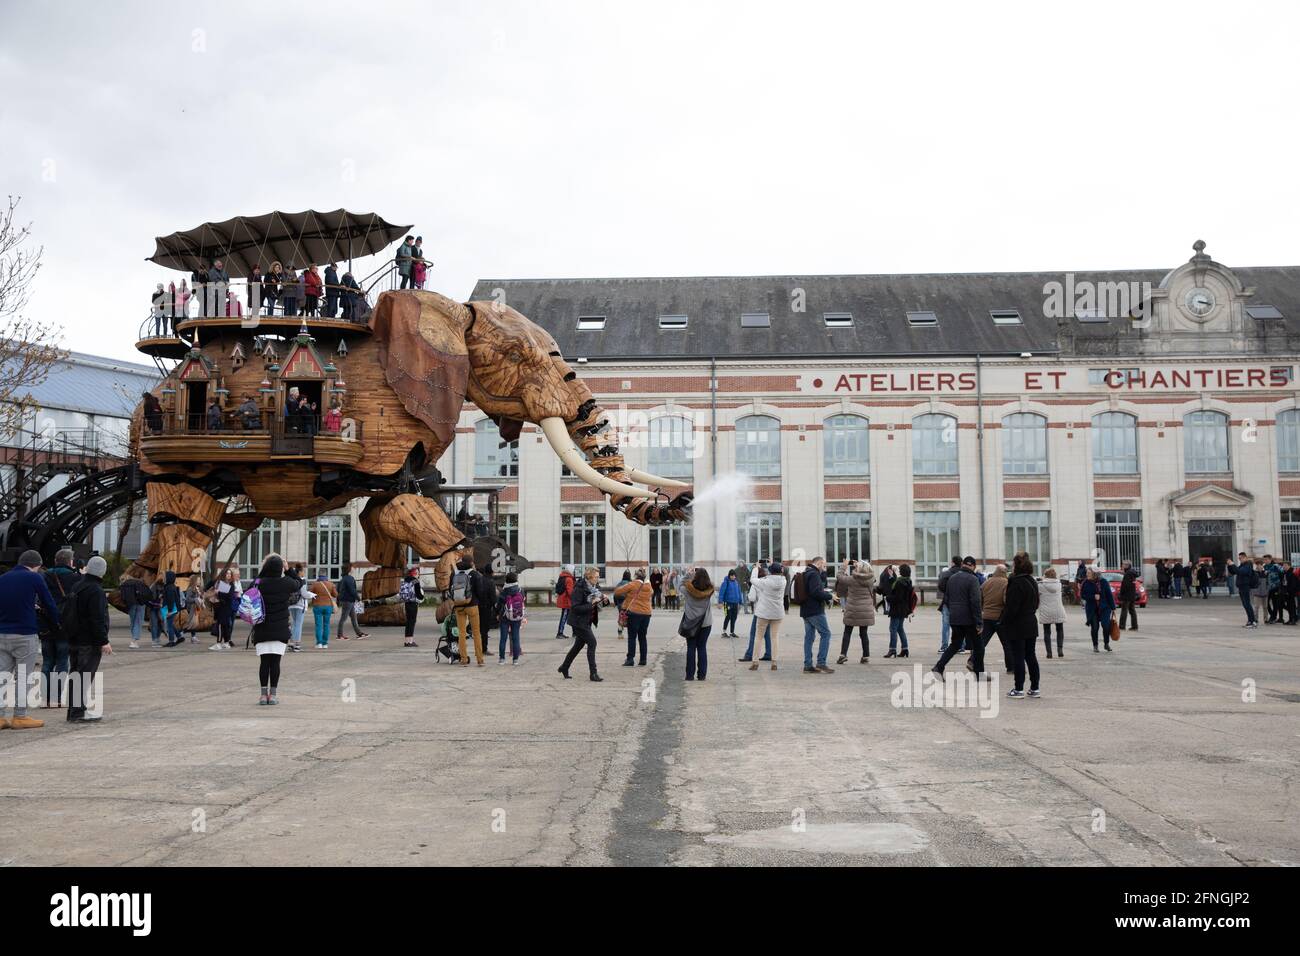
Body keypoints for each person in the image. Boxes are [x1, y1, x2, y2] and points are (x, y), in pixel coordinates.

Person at [0, 551, 59, 729]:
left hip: (2, 633)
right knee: (23, 677)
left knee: (2, 676)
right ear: (36, 565)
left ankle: (0, 716)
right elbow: (49, 602)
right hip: (25, 634)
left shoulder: (3, 578)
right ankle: (20, 716)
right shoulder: (35, 578)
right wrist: (56, 621)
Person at [64, 554, 112, 722]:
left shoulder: (77, 586)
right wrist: (104, 641)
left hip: (74, 638)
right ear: (102, 572)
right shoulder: (96, 590)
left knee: (75, 674)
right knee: (84, 676)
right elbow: (97, 618)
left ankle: (73, 711)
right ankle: (78, 713)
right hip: (89, 641)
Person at [248, 555, 301, 705]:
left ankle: (263, 695)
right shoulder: (286, 583)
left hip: (262, 628)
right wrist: (288, 569)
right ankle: (274, 695)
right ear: (280, 568)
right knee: (275, 663)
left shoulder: (259, 583)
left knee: (264, 663)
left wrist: (263, 570)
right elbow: (299, 583)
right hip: (280, 629)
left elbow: (251, 587)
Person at [37, 548, 80, 709]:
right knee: (62, 661)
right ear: (70, 562)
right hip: (65, 625)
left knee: (47, 661)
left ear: (55, 561)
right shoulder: (75, 578)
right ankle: (55, 699)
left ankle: (43, 698)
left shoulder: (43, 576)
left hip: (46, 624)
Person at [931, 556, 982, 678]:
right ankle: (980, 674)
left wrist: (954, 611)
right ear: (973, 566)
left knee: (955, 645)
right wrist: (979, 622)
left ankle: (939, 666)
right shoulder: (973, 579)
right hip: (969, 619)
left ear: (963, 565)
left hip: (955, 617)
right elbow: (975, 602)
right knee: (979, 646)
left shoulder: (952, 578)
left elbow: (947, 599)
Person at [1000, 553, 1042, 699]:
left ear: (1017, 565)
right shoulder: (1032, 581)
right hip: (1031, 621)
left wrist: (1003, 621)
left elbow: (1012, 607)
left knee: (1018, 655)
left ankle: (1018, 688)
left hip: (1018, 623)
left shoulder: (1015, 582)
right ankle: (1035, 687)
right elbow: (1037, 602)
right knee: (1031, 655)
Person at [558, 568, 606, 681]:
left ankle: (564, 667)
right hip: (578, 621)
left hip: (586, 620)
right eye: (596, 577)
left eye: (599, 577)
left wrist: (603, 601)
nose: (598, 579)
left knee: (577, 647)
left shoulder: (594, 589)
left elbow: (598, 605)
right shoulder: (579, 588)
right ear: (589, 577)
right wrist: (592, 603)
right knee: (592, 643)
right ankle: (593, 673)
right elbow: (575, 607)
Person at [796, 557, 835, 674]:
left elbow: (814, 589)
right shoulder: (814, 574)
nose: (825, 568)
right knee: (826, 634)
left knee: (809, 637)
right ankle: (821, 663)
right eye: (824, 565)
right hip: (815, 610)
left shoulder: (807, 572)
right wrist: (830, 596)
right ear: (818, 563)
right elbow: (816, 592)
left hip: (806, 610)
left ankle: (808, 665)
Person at [745, 563, 786, 671]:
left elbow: (753, 579)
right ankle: (774, 662)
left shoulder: (765, 582)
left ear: (770, 571)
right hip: (777, 613)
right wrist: (773, 564)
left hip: (764, 613)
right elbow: (781, 572)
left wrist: (755, 568)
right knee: (774, 637)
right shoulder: (783, 581)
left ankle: (755, 662)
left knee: (758, 637)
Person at [833, 560, 874, 664]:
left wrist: (844, 566)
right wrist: (861, 566)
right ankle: (865, 656)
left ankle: (843, 655)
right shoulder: (870, 579)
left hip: (853, 610)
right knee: (863, 633)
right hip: (865, 611)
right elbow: (867, 572)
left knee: (847, 632)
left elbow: (839, 576)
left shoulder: (852, 579)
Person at [678, 568, 715, 681]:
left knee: (691, 648)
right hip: (706, 624)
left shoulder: (688, 590)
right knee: (702, 648)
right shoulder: (710, 590)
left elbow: (679, 585)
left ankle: (689, 676)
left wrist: (687, 575)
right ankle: (702, 675)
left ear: (695, 577)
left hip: (691, 624)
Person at [615, 568, 652, 666]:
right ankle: (643, 660)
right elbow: (651, 593)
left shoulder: (633, 584)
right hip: (646, 614)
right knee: (643, 637)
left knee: (632, 637)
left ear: (635, 576)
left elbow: (618, 592)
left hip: (634, 613)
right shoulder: (648, 586)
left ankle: (630, 659)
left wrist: (627, 593)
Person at [978, 564, 1010, 671]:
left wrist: (984, 609)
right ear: (1005, 572)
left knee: (982, 642)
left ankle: (973, 661)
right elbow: (1006, 601)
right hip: (1000, 618)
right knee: (1007, 644)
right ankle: (1010, 667)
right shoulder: (1006, 583)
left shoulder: (986, 583)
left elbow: (980, 600)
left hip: (986, 616)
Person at [1081, 568, 1116, 651]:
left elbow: (1109, 595)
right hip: (1092, 609)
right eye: (1087, 573)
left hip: (1105, 607)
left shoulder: (1103, 582)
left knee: (1106, 626)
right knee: (1095, 627)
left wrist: (1113, 607)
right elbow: (1082, 595)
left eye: (1089, 573)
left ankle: (1106, 644)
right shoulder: (1085, 583)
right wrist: (1093, 597)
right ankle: (1095, 645)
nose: (1087, 574)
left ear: (1095, 574)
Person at [1037, 566, 1067, 658]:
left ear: (1045, 575)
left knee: (1047, 631)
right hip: (1058, 610)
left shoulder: (1040, 585)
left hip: (1046, 611)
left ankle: (1049, 652)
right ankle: (1060, 649)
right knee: (1060, 629)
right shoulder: (1059, 584)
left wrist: (1042, 579)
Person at [496, 573, 525, 664]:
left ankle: (502, 659)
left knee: (503, 638)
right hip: (517, 616)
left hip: (505, 617)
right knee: (516, 637)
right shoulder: (520, 590)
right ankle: (515, 660)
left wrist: (497, 614)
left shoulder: (504, 591)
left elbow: (499, 605)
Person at [335, 562, 369, 641]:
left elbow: (338, 590)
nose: (353, 569)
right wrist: (358, 597)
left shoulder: (343, 579)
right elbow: (352, 590)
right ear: (349, 569)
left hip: (346, 600)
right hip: (348, 601)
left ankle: (359, 633)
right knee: (343, 618)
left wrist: (338, 600)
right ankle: (339, 635)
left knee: (354, 618)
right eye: (352, 567)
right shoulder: (349, 578)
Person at [210, 568, 241, 650]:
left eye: (230, 574)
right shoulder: (220, 583)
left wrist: (219, 593)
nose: (228, 575)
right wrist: (217, 594)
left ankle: (219, 643)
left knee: (222, 625)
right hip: (220, 606)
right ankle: (226, 642)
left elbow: (229, 597)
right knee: (224, 625)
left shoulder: (231, 585)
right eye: (227, 573)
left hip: (226, 607)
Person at [935, 555, 960, 653]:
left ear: (953, 563)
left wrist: (947, 591)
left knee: (946, 625)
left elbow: (941, 586)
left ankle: (944, 646)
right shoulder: (964, 573)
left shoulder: (947, 573)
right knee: (960, 625)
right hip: (961, 603)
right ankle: (961, 646)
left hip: (948, 602)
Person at [119, 573, 150, 649]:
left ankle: (134, 639)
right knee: (138, 621)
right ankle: (134, 640)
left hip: (131, 605)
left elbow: (123, 597)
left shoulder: (124, 585)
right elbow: (147, 592)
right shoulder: (139, 582)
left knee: (133, 621)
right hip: (141, 604)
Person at [474, 563, 498, 658]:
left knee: (477, 629)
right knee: (484, 630)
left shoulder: (479, 579)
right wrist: (496, 610)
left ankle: (478, 649)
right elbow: (493, 598)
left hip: (476, 606)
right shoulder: (490, 582)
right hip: (486, 608)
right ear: (491, 572)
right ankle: (483, 649)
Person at [309, 574, 337, 648]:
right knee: (326, 625)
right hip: (328, 607)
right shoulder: (331, 584)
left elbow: (310, 594)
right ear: (326, 577)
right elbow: (335, 595)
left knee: (318, 625)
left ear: (319, 577)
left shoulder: (315, 584)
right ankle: (325, 643)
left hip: (317, 606)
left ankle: (319, 643)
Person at [285, 563, 308, 651]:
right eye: (303, 571)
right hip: (300, 604)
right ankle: (297, 644)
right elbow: (304, 594)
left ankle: (291, 642)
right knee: (298, 624)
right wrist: (313, 595)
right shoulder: (302, 580)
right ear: (301, 572)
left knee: (293, 624)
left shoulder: (291, 580)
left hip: (291, 604)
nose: (304, 573)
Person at [401, 566, 425, 648]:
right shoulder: (415, 581)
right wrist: (422, 597)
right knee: (412, 622)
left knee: (408, 622)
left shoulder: (405, 580)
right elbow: (419, 595)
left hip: (407, 603)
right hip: (413, 603)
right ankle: (410, 641)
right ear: (415, 574)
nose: (418, 575)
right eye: (418, 573)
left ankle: (406, 641)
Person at [159, 570, 184, 647]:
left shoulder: (169, 587)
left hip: (170, 608)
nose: (163, 578)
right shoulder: (170, 586)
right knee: (171, 624)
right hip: (172, 608)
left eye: (164, 577)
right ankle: (179, 637)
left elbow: (171, 599)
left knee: (169, 625)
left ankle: (171, 641)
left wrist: (169, 610)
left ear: (168, 578)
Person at [717, 569, 742, 638]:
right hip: (727, 603)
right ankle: (724, 632)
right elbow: (721, 593)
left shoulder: (736, 583)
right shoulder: (725, 582)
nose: (734, 577)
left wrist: (740, 601)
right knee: (728, 617)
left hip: (735, 603)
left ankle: (732, 632)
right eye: (732, 576)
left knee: (734, 618)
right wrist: (720, 602)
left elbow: (739, 592)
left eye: (734, 576)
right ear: (729, 575)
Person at [1118, 560, 1140, 631]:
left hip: (1127, 595)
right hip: (1132, 595)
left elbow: (1125, 585)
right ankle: (1134, 626)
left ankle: (1122, 626)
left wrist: (1121, 594)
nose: (1122, 566)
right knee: (1132, 610)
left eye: (1123, 565)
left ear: (1127, 565)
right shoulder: (1132, 573)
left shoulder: (1128, 574)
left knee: (1124, 611)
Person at [554, 565, 575, 639]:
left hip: (562, 600)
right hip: (566, 601)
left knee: (569, 617)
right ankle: (560, 633)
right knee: (565, 617)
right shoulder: (569, 579)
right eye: (573, 570)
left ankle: (574, 633)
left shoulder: (562, 577)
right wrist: (575, 598)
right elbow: (570, 592)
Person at [181, 576, 204, 644]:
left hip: (195, 608)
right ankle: (180, 633)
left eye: (200, 580)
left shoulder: (197, 588)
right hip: (191, 608)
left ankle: (193, 637)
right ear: (194, 581)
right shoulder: (190, 589)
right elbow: (187, 599)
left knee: (194, 623)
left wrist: (201, 596)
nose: (200, 581)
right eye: (198, 580)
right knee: (191, 623)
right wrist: (196, 599)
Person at [1262, 555, 1283, 623]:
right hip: (1268, 588)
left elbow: (1282, 572)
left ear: (1270, 559)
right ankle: (1272, 615)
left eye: (1267, 559)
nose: (1265, 561)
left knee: (1275, 603)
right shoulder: (1264, 567)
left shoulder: (1276, 566)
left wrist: (1280, 584)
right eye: (1264, 560)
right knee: (1266, 603)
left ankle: (1273, 617)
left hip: (1276, 587)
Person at [1251, 559, 1269, 627]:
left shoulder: (1266, 573)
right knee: (1256, 607)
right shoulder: (1254, 573)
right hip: (1257, 593)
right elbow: (1252, 583)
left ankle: (1266, 619)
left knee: (1265, 607)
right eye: (1257, 565)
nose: (1259, 566)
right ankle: (1255, 619)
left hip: (1265, 592)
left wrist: (1267, 590)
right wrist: (1254, 591)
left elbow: (1268, 582)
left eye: (1260, 565)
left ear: (1262, 565)